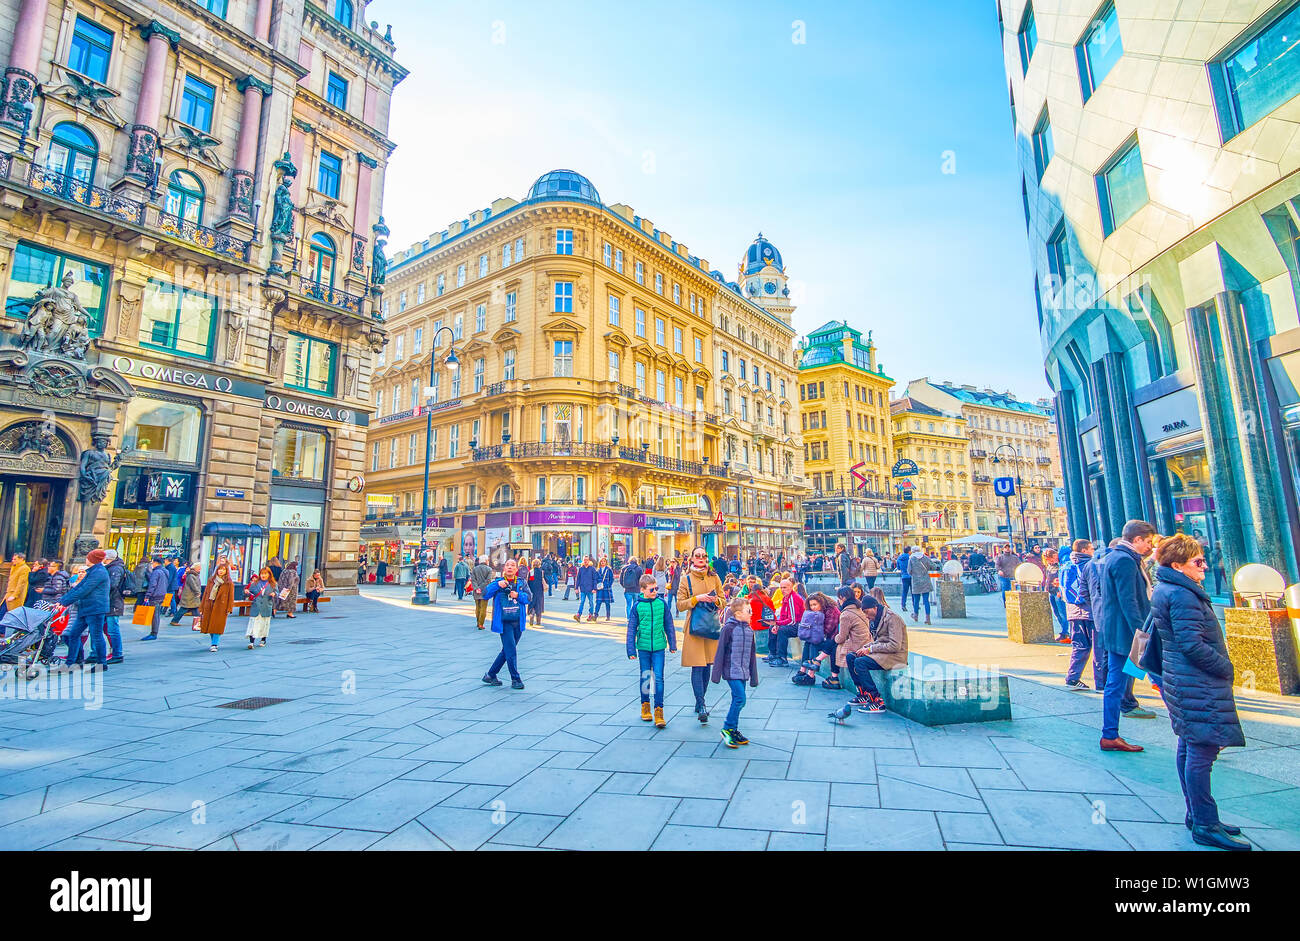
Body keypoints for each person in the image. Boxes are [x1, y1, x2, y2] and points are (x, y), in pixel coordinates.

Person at [1146, 533, 1250, 851]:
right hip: (1196, 682)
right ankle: (1205, 824)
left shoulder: (1174, 589)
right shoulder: (1182, 595)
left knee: (1191, 746)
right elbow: (1192, 644)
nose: (1205, 567)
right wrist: (1226, 668)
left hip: (1185, 680)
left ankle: (1199, 815)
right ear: (1177, 565)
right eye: (1198, 561)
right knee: (1202, 750)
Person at [1098, 520, 1159, 752]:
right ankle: (1110, 733)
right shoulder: (1124, 560)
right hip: (1128, 635)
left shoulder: (1119, 557)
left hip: (1121, 634)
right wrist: (1142, 632)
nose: (1150, 547)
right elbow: (1128, 601)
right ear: (1137, 539)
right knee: (1154, 676)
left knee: (1119, 681)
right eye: (1148, 542)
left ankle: (1110, 733)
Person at [677, 546, 725, 723]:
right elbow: (680, 604)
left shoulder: (714, 577)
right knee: (697, 666)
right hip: (695, 628)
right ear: (692, 558)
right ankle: (702, 704)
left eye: (704, 556)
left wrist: (715, 600)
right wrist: (698, 598)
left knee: (707, 666)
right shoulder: (686, 579)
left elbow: (723, 600)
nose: (701, 558)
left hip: (711, 626)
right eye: (697, 556)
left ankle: (700, 701)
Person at [627, 573, 677, 728]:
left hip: (659, 647)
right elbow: (631, 629)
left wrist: (672, 643)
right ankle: (645, 706)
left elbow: (669, 625)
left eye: (656, 588)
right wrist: (631, 649)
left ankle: (659, 711)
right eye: (652, 589)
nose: (655, 591)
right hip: (643, 648)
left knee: (659, 678)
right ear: (642, 590)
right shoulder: (637, 606)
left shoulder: (662, 604)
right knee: (646, 677)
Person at [845, 593, 909, 713]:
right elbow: (880, 640)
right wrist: (867, 646)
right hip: (884, 653)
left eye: (866, 611)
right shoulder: (877, 617)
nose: (865, 615)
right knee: (851, 657)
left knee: (860, 662)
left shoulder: (892, 618)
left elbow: (895, 645)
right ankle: (863, 693)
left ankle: (876, 700)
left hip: (895, 656)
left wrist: (870, 650)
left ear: (875, 607)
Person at [711, 595, 759, 748]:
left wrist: (753, 676)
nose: (751, 613)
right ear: (738, 614)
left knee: (737, 699)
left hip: (743, 671)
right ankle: (727, 728)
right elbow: (720, 651)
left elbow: (752, 655)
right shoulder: (728, 628)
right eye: (748, 610)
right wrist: (716, 674)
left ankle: (733, 730)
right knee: (740, 699)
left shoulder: (749, 630)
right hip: (731, 671)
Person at [482, 558, 530, 690]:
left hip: (517, 621)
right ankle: (516, 679)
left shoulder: (521, 582)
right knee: (511, 650)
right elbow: (485, 594)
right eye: (507, 565)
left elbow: (529, 598)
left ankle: (491, 675)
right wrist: (497, 585)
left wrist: (518, 595)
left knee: (507, 651)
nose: (510, 567)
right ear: (504, 569)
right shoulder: (498, 582)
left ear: (516, 569)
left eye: (513, 565)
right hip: (504, 622)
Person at [59, 548, 110, 670]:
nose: (86, 559)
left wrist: (65, 602)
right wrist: (61, 601)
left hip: (95, 609)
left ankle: (102, 663)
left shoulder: (99, 572)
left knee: (96, 636)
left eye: (88, 557)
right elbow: (78, 587)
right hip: (86, 608)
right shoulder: (92, 571)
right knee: (73, 634)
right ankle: (72, 663)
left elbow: (84, 590)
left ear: (92, 559)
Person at [1060, 539, 1098, 690]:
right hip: (1090, 612)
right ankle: (1101, 683)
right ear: (1084, 550)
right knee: (1098, 649)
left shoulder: (1066, 566)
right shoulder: (1091, 565)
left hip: (1073, 612)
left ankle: (1073, 677)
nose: (1092, 552)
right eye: (1091, 549)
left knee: (1079, 646)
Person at [826, 585, 871, 690]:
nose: (838, 600)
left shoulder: (846, 614)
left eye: (839, 598)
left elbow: (842, 637)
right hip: (867, 641)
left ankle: (834, 678)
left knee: (834, 646)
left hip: (857, 645)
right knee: (833, 643)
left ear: (843, 598)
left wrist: (835, 638)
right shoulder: (859, 608)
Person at [792, 592, 837, 686]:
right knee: (809, 642)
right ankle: (803, 670)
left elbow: (828, 629)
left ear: (821, 602)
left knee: (813, 643)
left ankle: (811, 676)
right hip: (825, 638)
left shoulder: (831, 611)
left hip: (833, 639)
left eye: (815, 604)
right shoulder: (819, 612)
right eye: (811, 605)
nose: (813, 607)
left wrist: (813, 631)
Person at [767, 576, 805, 667]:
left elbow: (793, 620)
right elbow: (783, 616)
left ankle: (782, 658)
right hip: (793, 623)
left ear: (791, 587)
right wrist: (776, 624)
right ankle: (773, 654)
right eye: (781, 588)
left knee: (782, 630)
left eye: (785, 587)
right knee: (772, 627)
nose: (782, 590)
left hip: (799, 625)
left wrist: (778, 624)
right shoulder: (785, 598)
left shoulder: (793, 598)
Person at [199, 560, 234, 652]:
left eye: (223, 569)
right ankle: (213, 642)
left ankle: (214, 644)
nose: (221, 571)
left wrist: (229, 608)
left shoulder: (228, 582)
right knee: (209, 626)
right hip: (209, 604)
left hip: (221, 607)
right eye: (219, 569)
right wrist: (202, 607)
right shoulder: (211, 580)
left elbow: (231, 596)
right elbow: (206, 593)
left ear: (226, 571)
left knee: (217, 626)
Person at [102, 549, 126, 663]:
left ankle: (117, 654)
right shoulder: (112, 567)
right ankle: (111, 652)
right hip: (110, 602)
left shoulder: (115, 568)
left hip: (113, 602)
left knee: (112, 629)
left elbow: (112, 585)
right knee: (105, 629)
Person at [245, 567, 276, 648]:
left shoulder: (272, 584)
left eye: (265, 574)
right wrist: (247, 592)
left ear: (269, 574)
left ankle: (263, 639)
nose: (263, 575)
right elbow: (248, 592)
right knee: (253, 623)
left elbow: (277, 593)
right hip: (256, 606)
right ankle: (251, 642)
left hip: (266, 606)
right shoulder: (255, 583)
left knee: (264, 623)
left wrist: (274, 594)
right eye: (262, 574)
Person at [139, 557, 168, 639]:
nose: (151, 564)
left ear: (156, 563)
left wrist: (147, 595)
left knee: (154, 615)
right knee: (157, 614)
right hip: (161, 594)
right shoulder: (165, 571)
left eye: (152, 563)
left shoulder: (156, 572)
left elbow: (153, 585)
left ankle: (154, 633)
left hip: (155, 595)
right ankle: (154, 632)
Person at [169, 561, 201, 626]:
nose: (200, 569)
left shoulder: (194, 575)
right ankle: (174, 620)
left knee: (194, 609)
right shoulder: (192, 575)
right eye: (199, 567)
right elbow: (193, 585)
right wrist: (197, 592)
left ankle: (199, 622)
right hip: (190, 596)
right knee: (184, 609)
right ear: (195, 568)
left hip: (192, 596)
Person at [907, 549, 934, 624]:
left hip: (916, 582)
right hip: (925, 581)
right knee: (926, 600)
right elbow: (933, 566)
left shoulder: (911, 559)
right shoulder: (925, 557)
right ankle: (928, 618)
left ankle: (915, 616)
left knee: (916, 600)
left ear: (912, 551)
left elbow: (909, 571)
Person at [469, 555, 494, 630]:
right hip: (485, 591)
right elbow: (488, 580)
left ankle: (478, 622)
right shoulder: (489, 569)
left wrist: (477, 588)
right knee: (483, 608)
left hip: (476, 591)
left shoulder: (474, 569)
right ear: (486, 561)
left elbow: (473, 580)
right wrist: (481, 588)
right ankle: (481, 624)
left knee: (478, 607)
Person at [3, 552, 29, 617]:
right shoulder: (14, 567)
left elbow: (21, 583)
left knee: (9, 614)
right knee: (3, 613)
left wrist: (14, 595)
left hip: (14, 596)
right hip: (9, 594)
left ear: (21, 559)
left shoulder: (24, 568)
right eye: (13, 559)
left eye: (15, 559)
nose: (13, 561)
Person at [575, 556, 597, 622]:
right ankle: (578, 615)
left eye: (587, 560)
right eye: (584, 560)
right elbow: (578, 579)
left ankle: (590, 614)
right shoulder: (581, 569)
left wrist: (594, 588)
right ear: (583, 561)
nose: (585, 561)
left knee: (591, 602)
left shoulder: (592, 569)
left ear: (589, 561)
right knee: (582, 602)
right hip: (583, 589)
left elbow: (595, 579)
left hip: (590, 589)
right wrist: (576, 588)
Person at [619, 555, 642, 620]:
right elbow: (641, 580)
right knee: (636, 604)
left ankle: (629, 618)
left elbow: (620, 580)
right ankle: (635, 618)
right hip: (636, 590)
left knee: (628, 605)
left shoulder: (624, 568)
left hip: (627, 590)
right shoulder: (639, 568)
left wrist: (624, 586)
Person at [527, 557, 545, 626]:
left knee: (532, 604)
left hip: (532, 591)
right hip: (540, 591)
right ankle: (538, 621)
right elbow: (543, 581)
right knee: (539, 605)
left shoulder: (531, 572)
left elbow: (529, 581)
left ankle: (531, 614)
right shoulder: (541, 572)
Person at [595, 556, 614, 621]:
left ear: (606, 562)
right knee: (598, 602)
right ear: (600, 562)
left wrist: (608, 585)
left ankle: (608, 616)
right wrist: (596, 585)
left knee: (607, 602)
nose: (603, 562)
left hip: (606, 588)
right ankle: (595, 615)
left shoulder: (609, 570)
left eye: (604, 561)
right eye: (602, 561)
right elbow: (595, 579)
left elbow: (612, 579)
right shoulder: (597, 570)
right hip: (599, 588)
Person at [897, 546, 912, 613]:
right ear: (909, 551)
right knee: (913, 591)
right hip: (911, 576)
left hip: (904, 576)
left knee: (904, 592)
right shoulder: (910, 557)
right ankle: (915, 605)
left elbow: (898, 568)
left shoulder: (899, 558)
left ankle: (903, 605)